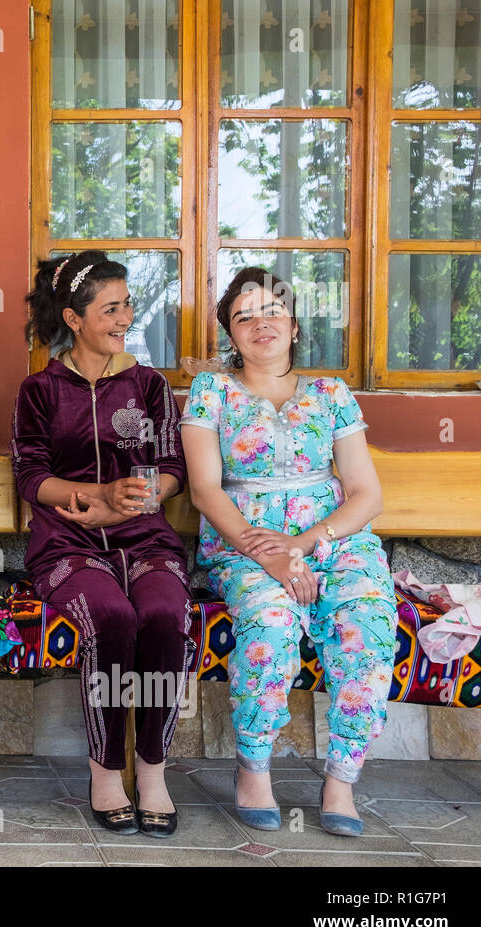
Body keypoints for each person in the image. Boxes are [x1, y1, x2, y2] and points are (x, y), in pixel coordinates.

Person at [180, 267, 397, 837]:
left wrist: (303, 545)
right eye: (244, 316)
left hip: (333, 544)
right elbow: (205, 489)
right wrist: (272, 557)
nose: (260, 323)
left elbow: (366, 493)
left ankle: (341, 780)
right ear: (232, 333)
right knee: (270, 623)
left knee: (368, 624)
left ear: (294, 324)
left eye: (271, 311)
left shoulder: (330, 394)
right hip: (246, 548)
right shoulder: (212, 392)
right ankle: (254, 769)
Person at [12, 251, 194, 838]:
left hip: (145, 537)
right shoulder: (39, 389)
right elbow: (30, 475)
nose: (125, 317)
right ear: (73, 318)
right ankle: (106, 771)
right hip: (66, 543)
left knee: (165, 613)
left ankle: (153, 770)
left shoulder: (149, 385)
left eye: (127, 305)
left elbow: (171, 466)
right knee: (112, 617)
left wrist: (140, 497)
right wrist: (95, 497)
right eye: (110, 308)